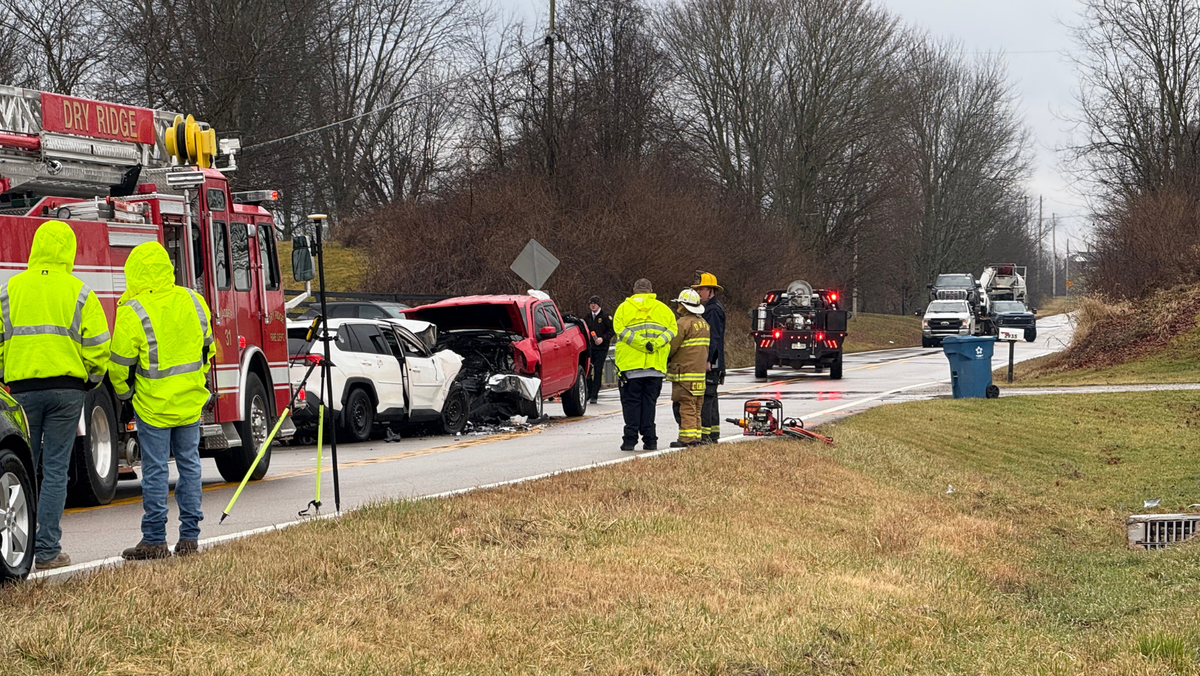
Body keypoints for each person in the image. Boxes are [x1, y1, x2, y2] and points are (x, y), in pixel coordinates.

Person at [0, 220, 110, 569]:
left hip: (21, 391)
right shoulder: (79, 292)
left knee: (21, 470)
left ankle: (18, 551)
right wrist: (90, 380)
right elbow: (97, 347)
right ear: (68, 251)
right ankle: (48, 551)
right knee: (56, 469)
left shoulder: (8, 291)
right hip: (67, 391)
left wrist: (7, 375)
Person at [108, 241, 215, 560]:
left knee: (155, 470)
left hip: (152, 406)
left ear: (134, 273)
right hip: (189, 402)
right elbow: (206, 350)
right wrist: (196, 383)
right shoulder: (195, 301)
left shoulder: (133, 310)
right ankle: (189, 537)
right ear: (167, 269)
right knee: (190, 466)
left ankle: (154, 539)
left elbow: (119, 365)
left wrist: (127, 397)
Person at [612, 278, 677, 451]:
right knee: (649, 404)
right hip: (655, 367)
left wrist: (642, 344)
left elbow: (620, 330)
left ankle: (629, 440)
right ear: (651, 290)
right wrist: (654, 345)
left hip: (631, 367)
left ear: (634, 290)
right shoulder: (664, 309)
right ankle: (650, 440)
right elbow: (672, 331)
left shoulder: (623, 309)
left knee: (632, 403)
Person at [667, 289, 710, 448]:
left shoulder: (682, 324)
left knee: (686, 406)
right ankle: (696, 436)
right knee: (696, 406)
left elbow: (671, 347)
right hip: (699, 374)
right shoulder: (704, 324)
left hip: (684, 373)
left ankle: (687, 438)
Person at [693, 271, 726, 444]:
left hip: (711, 362)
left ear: (711, 290)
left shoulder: (712, 310)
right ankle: (713, 433)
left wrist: (709, 360)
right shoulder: (713, 307)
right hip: (715, 361)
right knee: (711, 398)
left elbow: (713, 338)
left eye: (701, 289)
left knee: (706, 398)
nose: (698, 293)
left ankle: (706, 435)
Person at [582, 295, 614, 404]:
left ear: (598, 304)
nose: (592, 305)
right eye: (591, 304)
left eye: (594, 303)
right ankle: (589, 392)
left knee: (598, 370)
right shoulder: (587, 318)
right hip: (590, 348)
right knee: (587, 371)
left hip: (601, 348)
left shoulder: (605, 316)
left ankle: (594, 395)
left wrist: (603, 339)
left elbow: (611, 331)